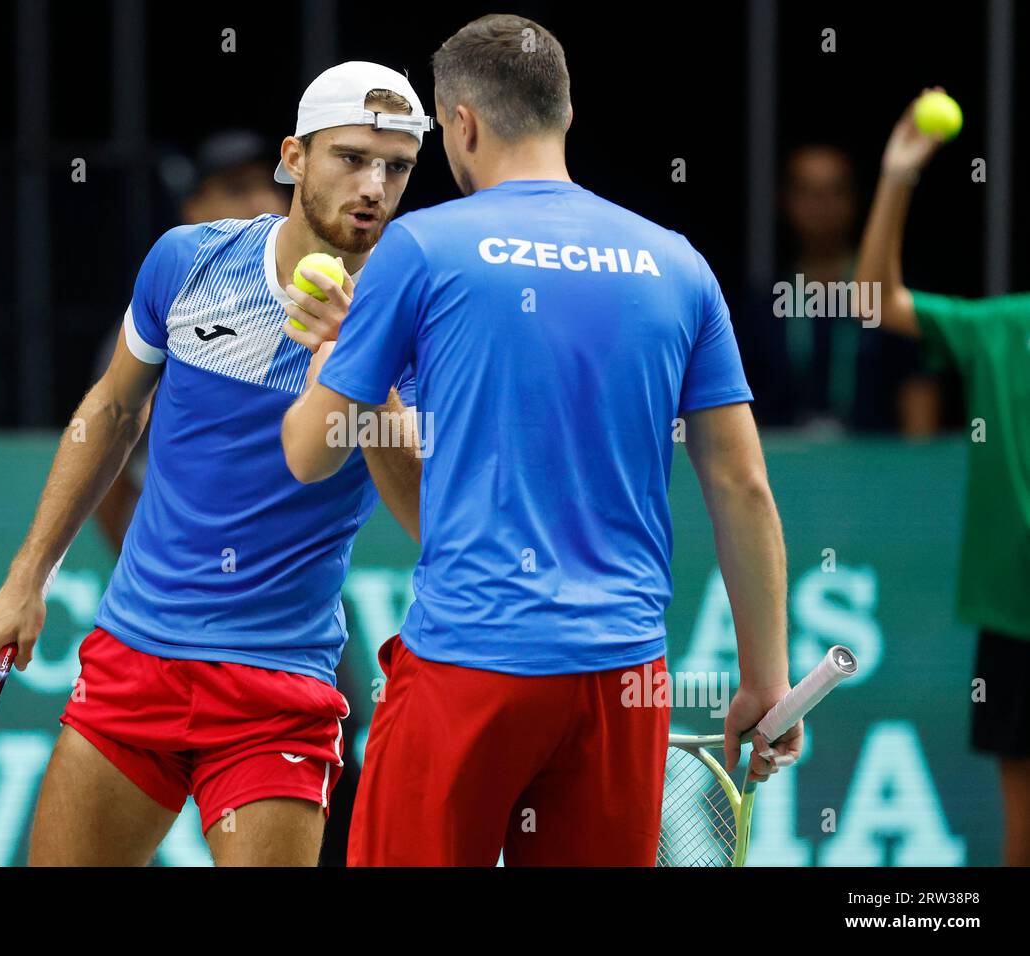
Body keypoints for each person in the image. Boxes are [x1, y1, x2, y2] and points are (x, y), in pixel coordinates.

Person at [281, 14, 797, 866]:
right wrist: (766, 681)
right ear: (563, 115)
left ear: (462, 124)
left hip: (466, 669)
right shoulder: (677, 264)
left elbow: (310, 453)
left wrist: (338, 357)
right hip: (623, 682)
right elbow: (742, 488)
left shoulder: (420, 247)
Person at [0, 61, 428, 866]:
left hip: (277, 688)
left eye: (395, 167)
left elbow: (428, 515)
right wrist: (28, 577)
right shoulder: (189, 263)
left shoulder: (420, 320)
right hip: (135, 660)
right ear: (294, 157)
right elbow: (112, 411)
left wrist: (360, 361)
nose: (374, 186)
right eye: (351, 157)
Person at [854, 89, 1030, 866]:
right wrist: (897, 176)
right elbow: (872, 302)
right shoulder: (1001, 328)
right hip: (1017, 622)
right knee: (1021, 827)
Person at [92, 130, 291, 553]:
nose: (262, 204)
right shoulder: (160, 315)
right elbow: (107, 445)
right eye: (237, 190)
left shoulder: (319, 309)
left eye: (272, 188)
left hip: (290, 576)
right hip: (183, 572)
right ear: (192, 209)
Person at [747, 146, 938, 434]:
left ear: (854, 200)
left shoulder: (892, 302)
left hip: (878, 471)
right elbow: (739, 404)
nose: (822, 205)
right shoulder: (762, 305)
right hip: (781, 471)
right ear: (786, 201)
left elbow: (919, 399)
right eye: (808, 192)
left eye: (834, 191)